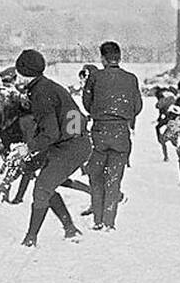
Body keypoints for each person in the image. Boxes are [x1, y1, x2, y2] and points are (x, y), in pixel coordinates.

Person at [15, 48, 92, 247]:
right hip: (71, 142)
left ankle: (30, 239)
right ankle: (70, 229)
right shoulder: (45, 86)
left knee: (42, 189)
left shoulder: (41, 93)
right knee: (46, 185)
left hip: (70, 146)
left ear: (24, 73)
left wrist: (28, 148)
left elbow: (50, 133)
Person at [82, 41, 143, 232]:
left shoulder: (95, 77)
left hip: (99, 132)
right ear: (119, 57)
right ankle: (110, 222)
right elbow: (137, 107)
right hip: (121, 133)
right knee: (114, 179)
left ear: (102, 58)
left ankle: (98, 221)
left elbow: (87, 103)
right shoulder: (131, 78)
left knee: (96, 176)